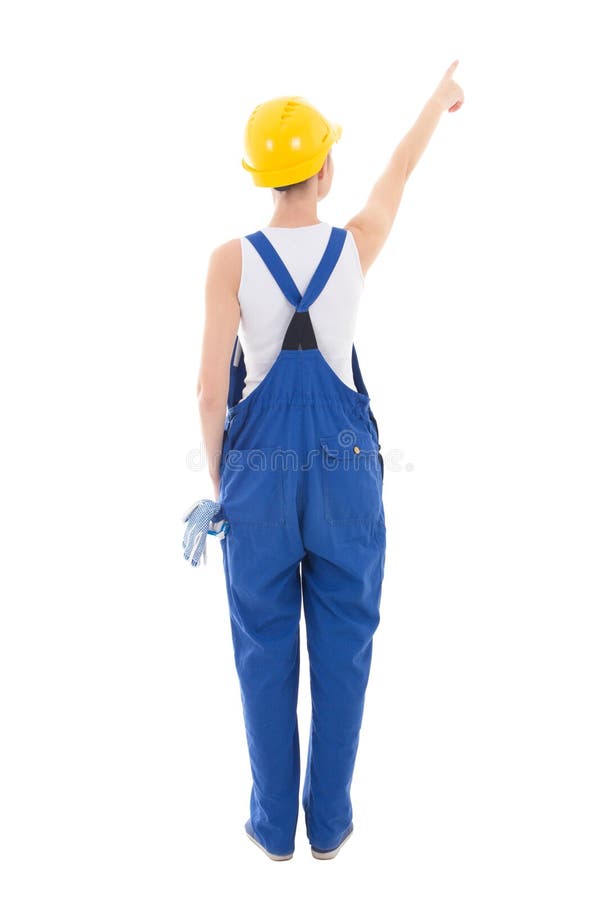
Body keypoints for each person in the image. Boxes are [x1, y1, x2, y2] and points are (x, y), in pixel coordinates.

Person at [194, 61, 464, 861]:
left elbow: (210, 392)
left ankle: (274, 828)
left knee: (261, 647)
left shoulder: (228, 261)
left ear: (261, 179)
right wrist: (437, 100)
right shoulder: (354, 246)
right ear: (324, 168)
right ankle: (331, 826)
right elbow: (401, 170)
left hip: (259, 478)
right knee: (345, 646)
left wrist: (225, 484)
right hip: (346, 473)